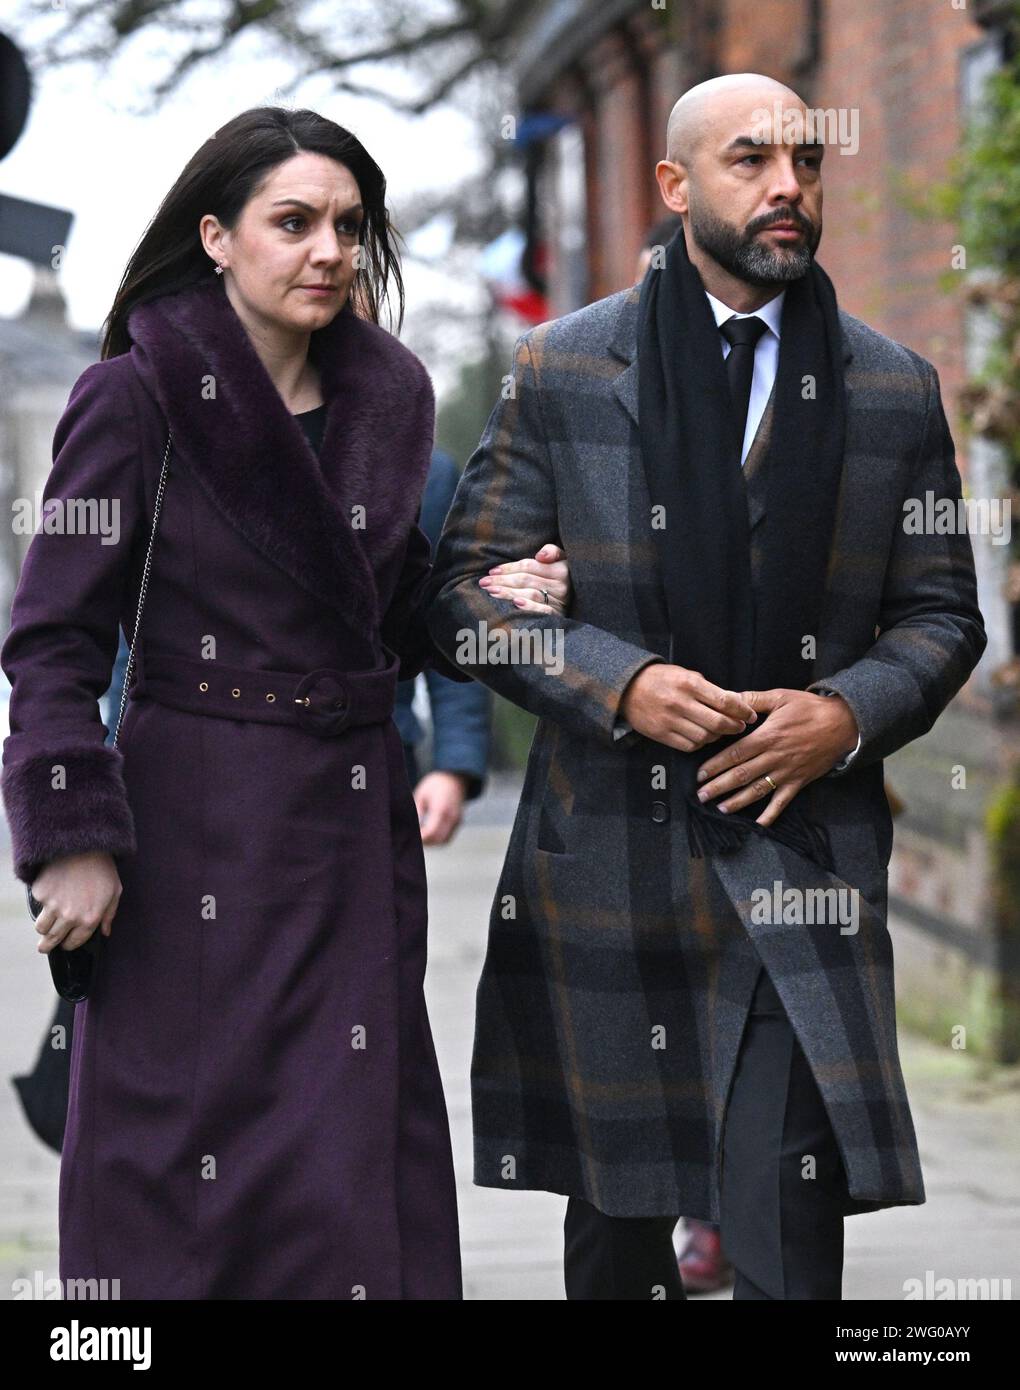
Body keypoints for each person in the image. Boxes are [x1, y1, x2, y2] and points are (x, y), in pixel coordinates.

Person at [425, 73, 987, 1300]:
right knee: (617, 1247)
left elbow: (943, 612)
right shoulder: (564, 370)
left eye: (804, 160)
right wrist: (620, 685)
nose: (788, 185)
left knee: (788, 1238)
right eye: (750, 160)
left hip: (802, 857)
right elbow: (464, 599)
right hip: (611, 864)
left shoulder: (892, 387)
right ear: (677, 186)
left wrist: (844, 716)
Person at [0, 105, 572, 1300]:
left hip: (348, 826)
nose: (328, 251)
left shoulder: (389, 402)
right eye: (294, 222)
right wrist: (72, 841)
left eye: (349, 227)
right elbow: (52, 639)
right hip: (186, 822)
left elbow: (397, 614)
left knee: (348, 1142)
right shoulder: (135, 395)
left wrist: (492, 598)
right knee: (176, 1152)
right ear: (215, 235)